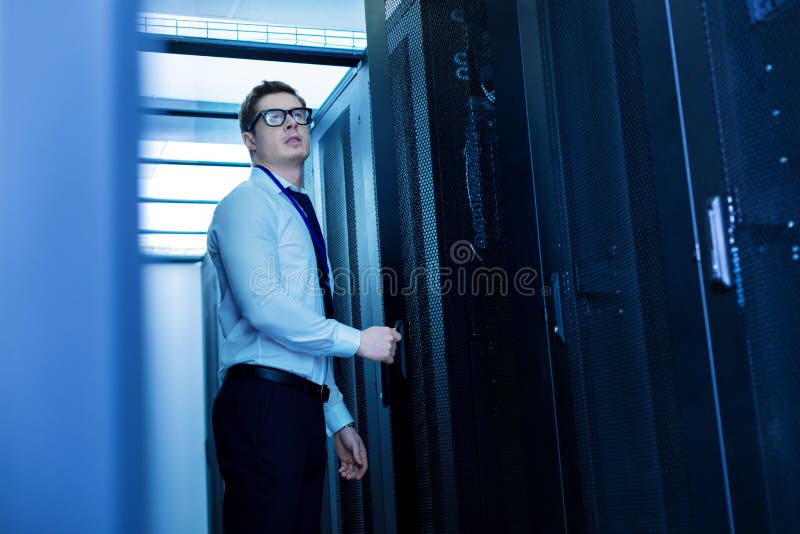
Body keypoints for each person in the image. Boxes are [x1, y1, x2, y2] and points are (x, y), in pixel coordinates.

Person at [207, 80, 401, 533]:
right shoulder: (246, 204)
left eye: (298, 113)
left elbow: (305, 329)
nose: (292, 122)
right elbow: (265, 307)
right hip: (262, 405)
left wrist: (336, 418)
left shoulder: (297, 210)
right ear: (250, 140)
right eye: (275, 116)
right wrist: (358, 341)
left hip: (296, 408)